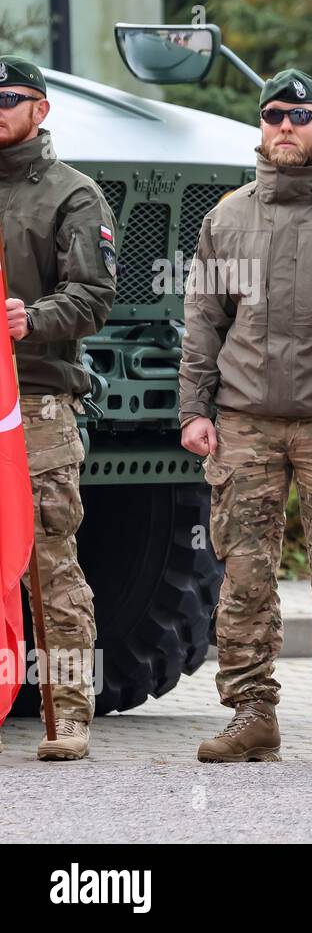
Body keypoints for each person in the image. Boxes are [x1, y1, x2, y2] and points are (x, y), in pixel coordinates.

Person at [178, 69, 312, 763]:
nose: (286, 127)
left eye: (301, 116)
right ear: (261, 127)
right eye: (274, 115)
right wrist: (194, 410)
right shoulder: (227, 217)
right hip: (244, 423)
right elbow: (204, 321)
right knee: (243, 576)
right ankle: (251, 714)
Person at [0, 56, 116, 761]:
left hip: (37, 401)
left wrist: (30, 319)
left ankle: (67, 712)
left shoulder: (73, 195)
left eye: (7, 97)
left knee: (49, 562)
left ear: (39, 110)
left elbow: (94, 297)